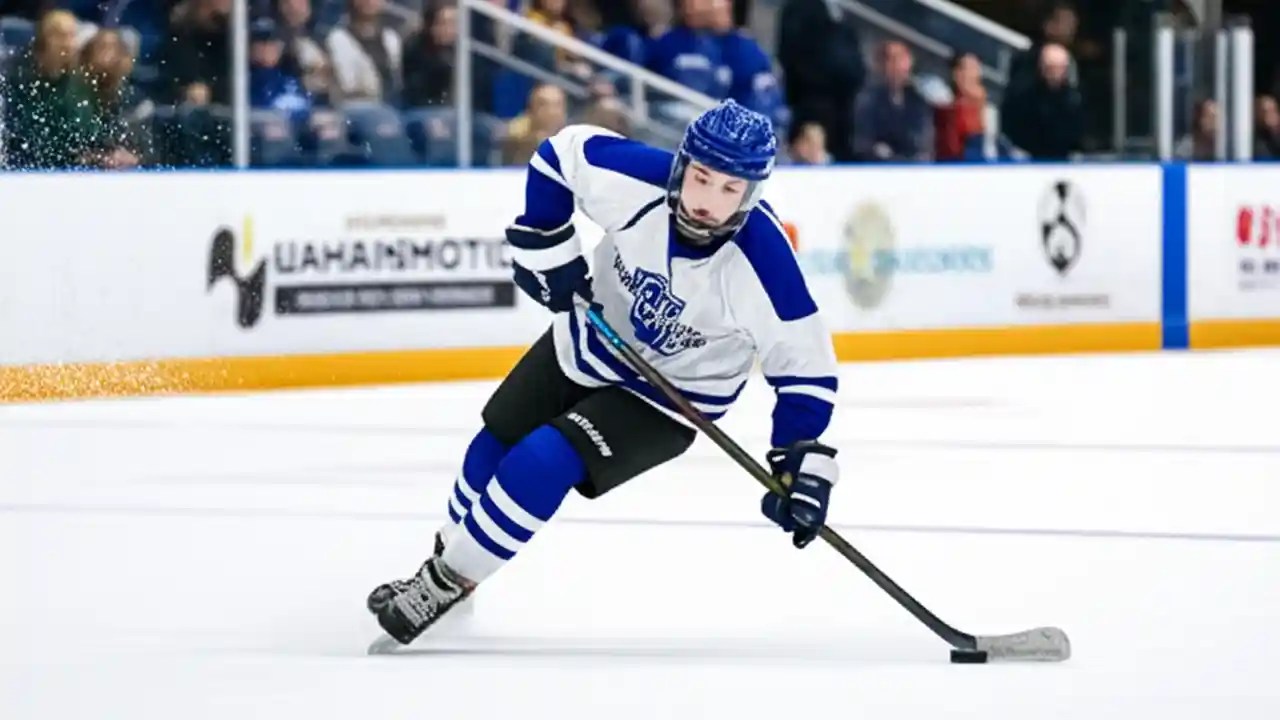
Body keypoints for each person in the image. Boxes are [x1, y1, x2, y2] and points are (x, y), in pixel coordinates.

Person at [366, 99, 841, 646]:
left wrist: (798, 456)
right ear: (683, 164)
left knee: (541, 459)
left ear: (752, 193)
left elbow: (805, 368)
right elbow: (559, 156)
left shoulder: (764, 262)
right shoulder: (638, 179)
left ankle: (445, 582)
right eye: (702, 179)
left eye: (729, 189)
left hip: (669, 398)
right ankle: (449, 573)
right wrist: (548, 247)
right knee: (495, 443)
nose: (708, 202)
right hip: (587, 340)